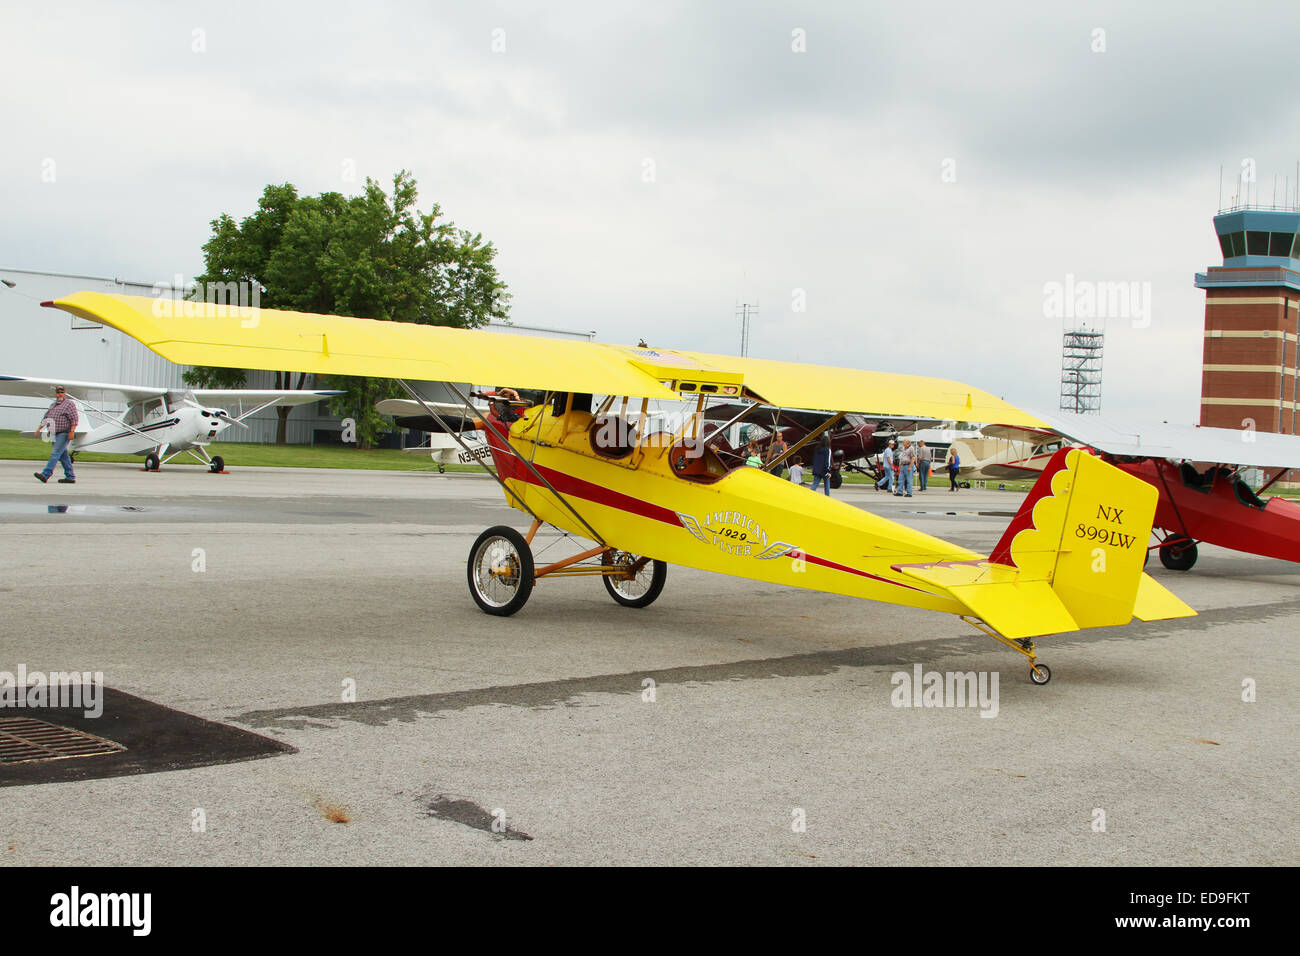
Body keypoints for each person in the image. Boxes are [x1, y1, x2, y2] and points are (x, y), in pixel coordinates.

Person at [34, 385, 77, 484]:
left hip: (64, 433)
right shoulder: (53, 405)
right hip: (53, 433)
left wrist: (72, 431)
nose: (60, 394)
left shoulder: (69, 404)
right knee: (64, 456)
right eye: (58, 392)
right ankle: (70, 477)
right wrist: (38, 429)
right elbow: (46, 417)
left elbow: (74, 419)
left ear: (64, 393)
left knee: (55, 453)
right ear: (56, 393)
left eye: (61, 392)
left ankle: (45, 475)